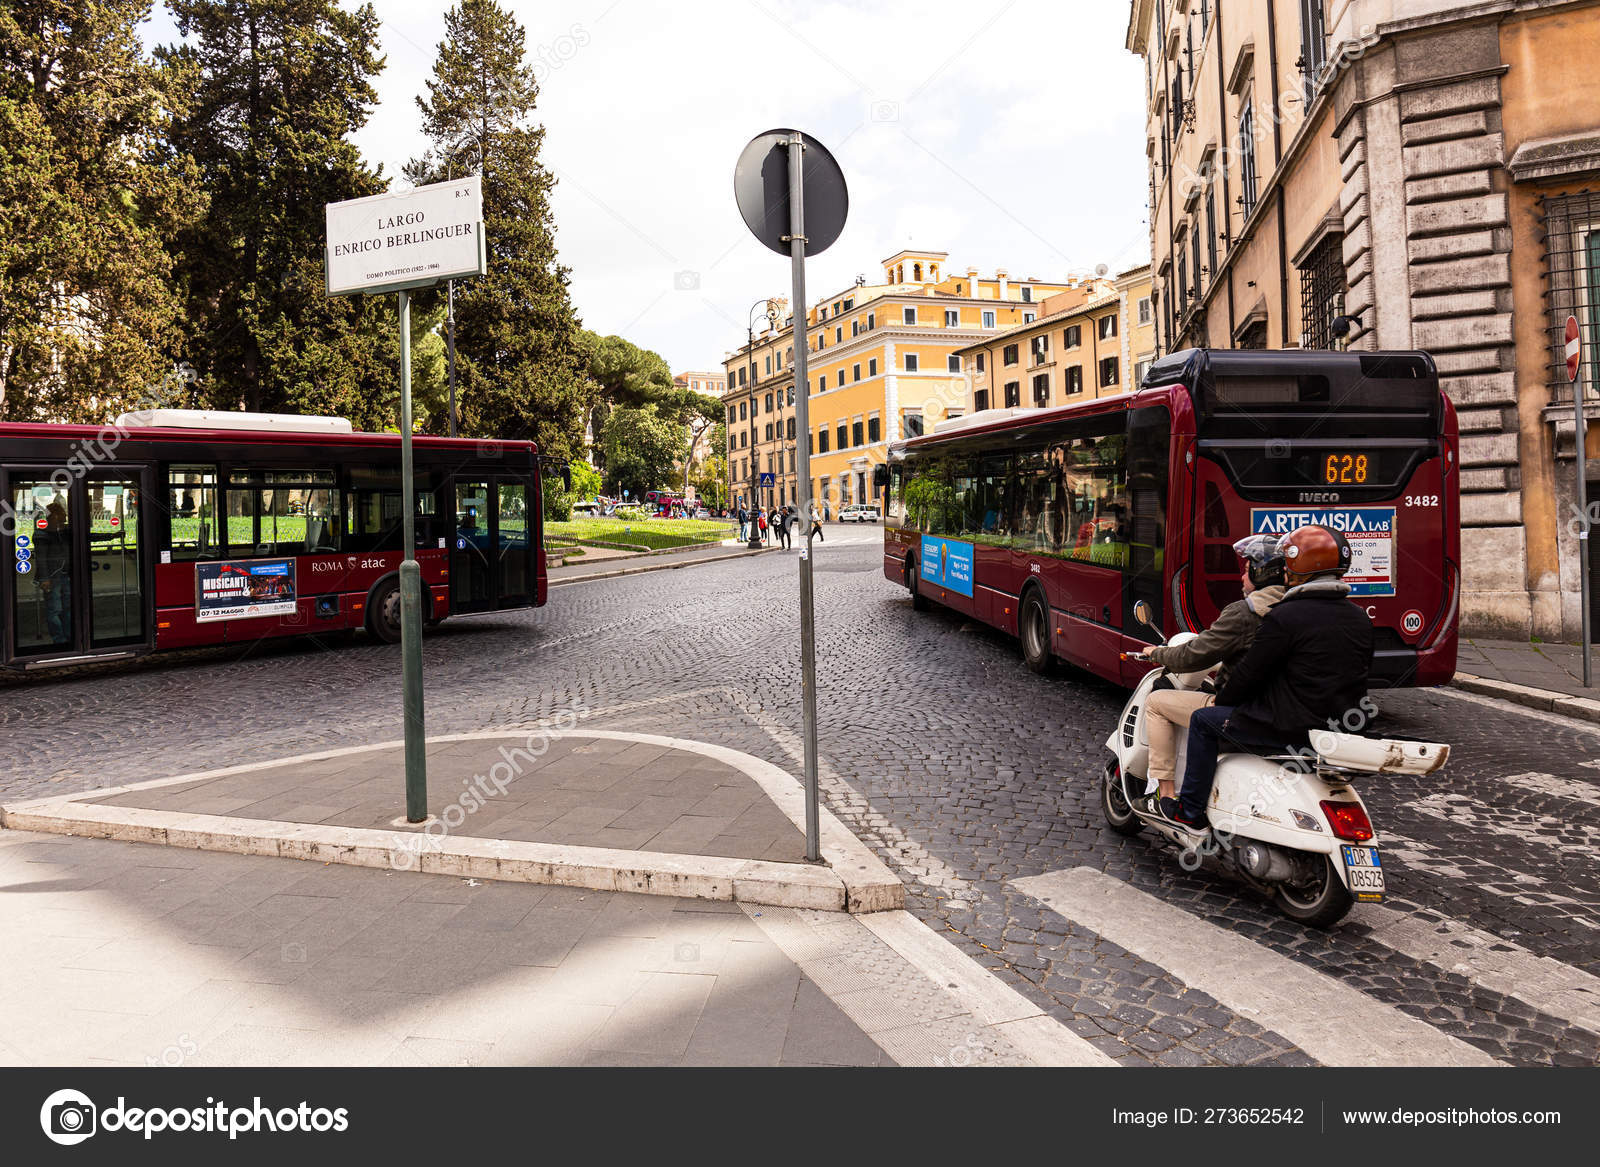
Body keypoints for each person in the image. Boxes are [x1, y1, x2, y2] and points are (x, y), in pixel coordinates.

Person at [1163, 525, 1375, 829]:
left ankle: (1190, 811)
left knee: (1203, 721)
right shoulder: (1359, 618)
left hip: (1288, 727)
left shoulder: (1286, 617)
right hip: (1339, 726)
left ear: (1299, 568)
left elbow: (1249, 675)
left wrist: (1223, 703)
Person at [1134, 535, 1287, 803]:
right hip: (1279, 709)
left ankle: (1166, 795)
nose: (1242, 576)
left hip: (1240, 711)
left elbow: (1194, 655)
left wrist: (1157, 653)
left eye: (1247, 568)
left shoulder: (1243, 613)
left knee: (1157, 702)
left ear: (1260, 572)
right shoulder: (1294, 609)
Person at [34, 499, 72, 645]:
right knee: (54, 609)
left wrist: (111, 536)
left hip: (65, 575)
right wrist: (44, 579)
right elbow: (41, 559)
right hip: (51, 577)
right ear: (54, 516)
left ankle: (68, 637)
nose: (65, 518)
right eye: (62, 515)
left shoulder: (64, 532)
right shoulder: (42, 534)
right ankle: (59, 639)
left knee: (67, 608)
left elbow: (86, 536)